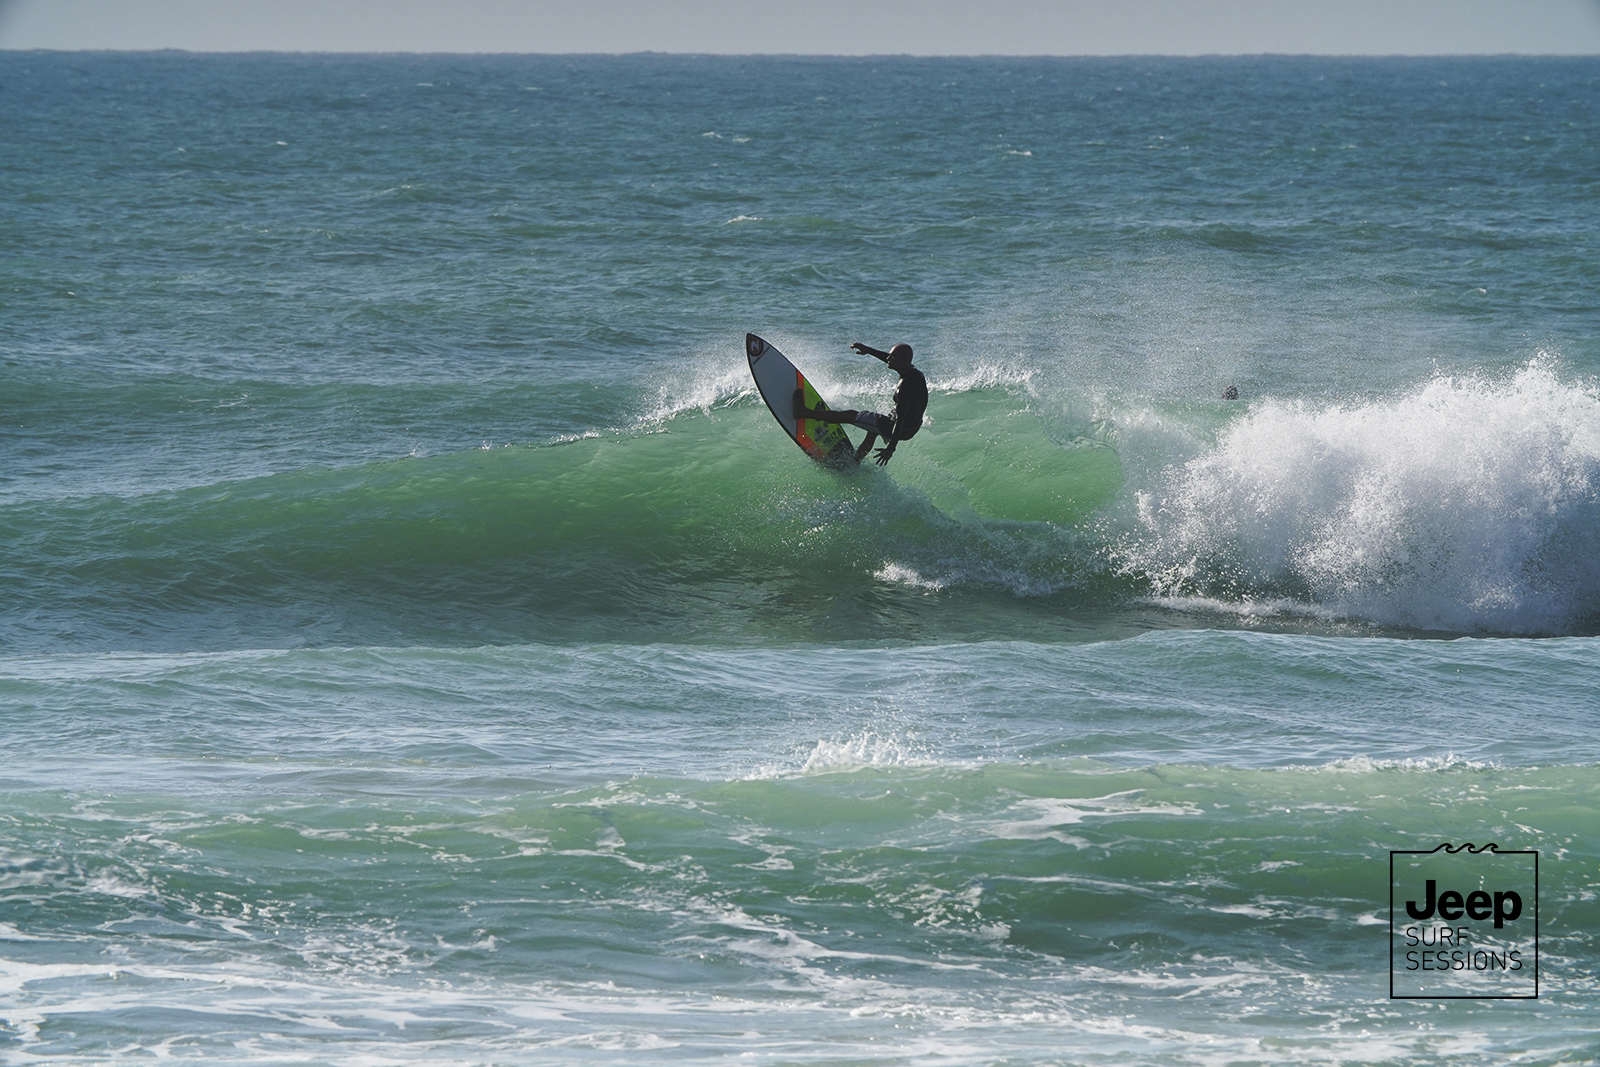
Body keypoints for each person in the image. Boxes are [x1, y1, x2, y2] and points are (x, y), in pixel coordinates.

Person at [794, 341, 928, 465]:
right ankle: (855, 460)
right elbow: (891, 360)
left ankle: (803, 412)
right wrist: (868, 350)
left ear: (903, 361)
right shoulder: (915, 373)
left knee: (851, 416)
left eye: (892, 357)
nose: (888, 358)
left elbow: (900, 419)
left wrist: (890, 449)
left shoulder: (905, 388)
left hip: (898, 426)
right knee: (872, 429)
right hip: (911, 428)